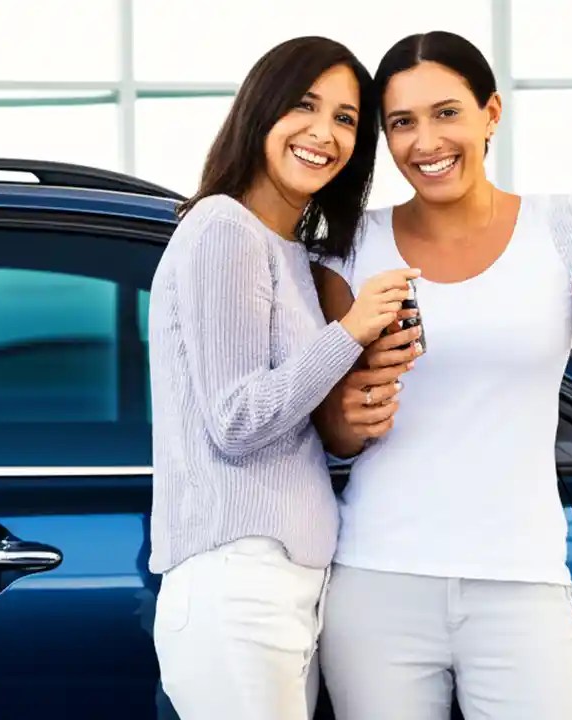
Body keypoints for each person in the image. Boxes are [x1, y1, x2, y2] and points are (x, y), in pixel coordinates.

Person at [310, 30, 572, 719]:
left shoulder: (563, 227)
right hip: (378, 583)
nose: (426, 142)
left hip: (521, 583)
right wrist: (352, 415)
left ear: (490, 113)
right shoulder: (349, 247)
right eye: (402, 122)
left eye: (446, 113)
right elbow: (335, 433)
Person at [146, 35, 423, 720]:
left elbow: (285, 419)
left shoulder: (289, 253)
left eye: (346, 119)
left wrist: (350, 420)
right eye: (305, 105)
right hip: (237, 584)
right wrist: (350, 330)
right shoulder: (223, 229)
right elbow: (237, 421)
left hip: (285, 588)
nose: (323, 133)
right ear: (260, 108)